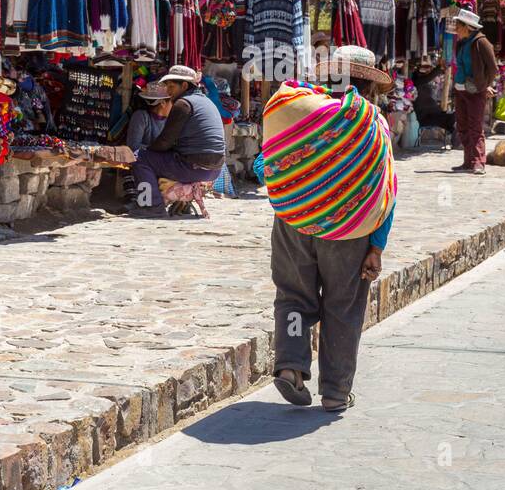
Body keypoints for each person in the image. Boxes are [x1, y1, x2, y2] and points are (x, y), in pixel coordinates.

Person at [255, 47, 396, 412]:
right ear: (368, 83)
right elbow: (385, 189)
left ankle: (291, 368)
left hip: (294, 224)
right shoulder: (372, 122)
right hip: (350, 233)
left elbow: (263, 165)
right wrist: (376, 247)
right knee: (343, 307)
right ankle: (335, 392)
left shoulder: (299, 112)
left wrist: (304, 185)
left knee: (293, 297)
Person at [128, 65, 226, 217]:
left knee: (138, 157)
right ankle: (178, 202)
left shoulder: (183, 104)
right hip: (215, 169)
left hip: (194, 166)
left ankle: (150, 206)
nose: (168, 91)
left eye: (172, 87)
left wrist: (147, 152)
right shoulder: (206, 102)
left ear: (185, 85)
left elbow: (165, 141)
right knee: (158, 158)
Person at [451, 8, 497, 175]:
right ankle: (467, 161)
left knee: (475, 127)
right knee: (462, 126)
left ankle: (478, 162)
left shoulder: (481, 42)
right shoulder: (462, 43)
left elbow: (493, 68)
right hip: (460, 89)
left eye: (458, 25)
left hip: (475, 91)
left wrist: (484, 85)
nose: (455, 29)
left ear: (467, 27)